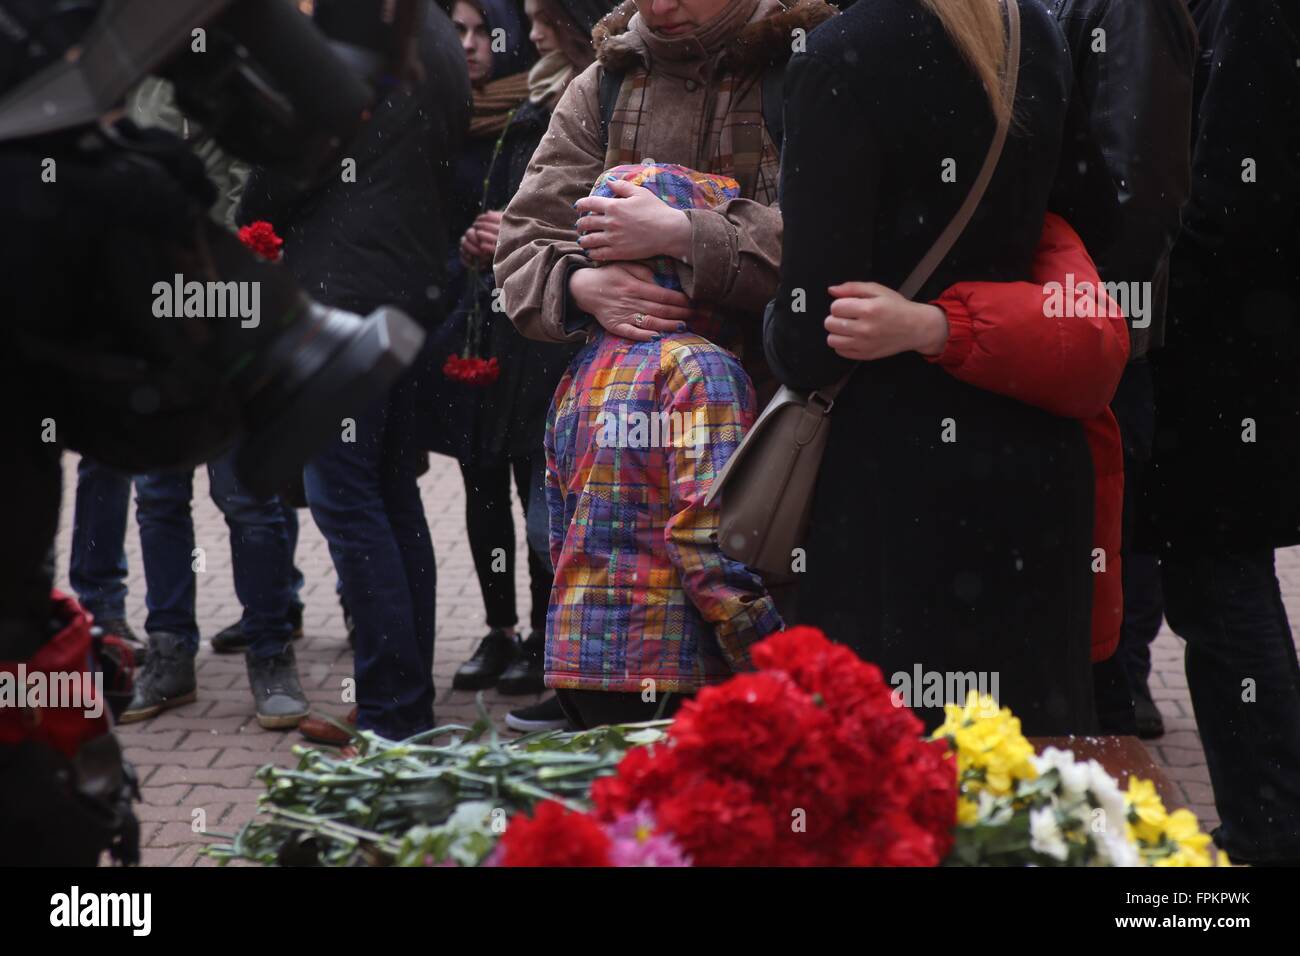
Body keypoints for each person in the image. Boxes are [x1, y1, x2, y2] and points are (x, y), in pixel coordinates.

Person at [764, 0, 1128, 735]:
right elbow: (1093, 215)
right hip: (1032, 460)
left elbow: (813, 333)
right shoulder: (1037, 33)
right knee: (1023, 793)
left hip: (892, 489)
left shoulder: (837, 57)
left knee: (896, 792)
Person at [496, 0, 837, 726]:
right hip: (635, 444)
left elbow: (832, 249)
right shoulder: (604, 85)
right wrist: (580, 286)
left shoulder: (807, 64)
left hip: (784, 448)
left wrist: (688, 235)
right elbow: (523, 243)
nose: (661, 6)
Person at [243, 0, 472, 744]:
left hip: (342, 291)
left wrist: (250, 218)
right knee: (390, 493)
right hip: (410, 283)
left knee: (347, 500)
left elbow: (291, 158)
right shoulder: (431, 25)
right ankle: (401, 698)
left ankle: (392, 710)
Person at [1139, 0, 1300, 865]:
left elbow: (1239, 198)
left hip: (1226, 366)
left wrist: (1142, 287)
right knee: (1216, 588)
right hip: (1228, 358)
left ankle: (1268, 829)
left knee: (1222, 588)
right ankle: (1261, 822)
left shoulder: (1249, 15)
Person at [539, 164, 785, 729]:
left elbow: (558, 528)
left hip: (576, 659)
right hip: (669, 666)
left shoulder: (580, 371)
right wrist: (769, 658)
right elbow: (707, 539)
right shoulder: (703, 369)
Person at [1045, 0, 1198, 740]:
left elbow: (1142, 181)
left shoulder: (1130, 9)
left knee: (1110, 530)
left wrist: (1085, 315)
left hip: (1096, 339)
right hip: (1073, 328)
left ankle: (1119, 698)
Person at [438, 0, 554, 697]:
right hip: (470, 328)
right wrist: (460, 246)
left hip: (533, 332)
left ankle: (545, 633)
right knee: (479, 483)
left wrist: (512, 232)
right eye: (461, 32)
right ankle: (499, 628)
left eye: (486, 31)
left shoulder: (543, 111)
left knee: (536, 485)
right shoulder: (450, 117)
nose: (473, 46)